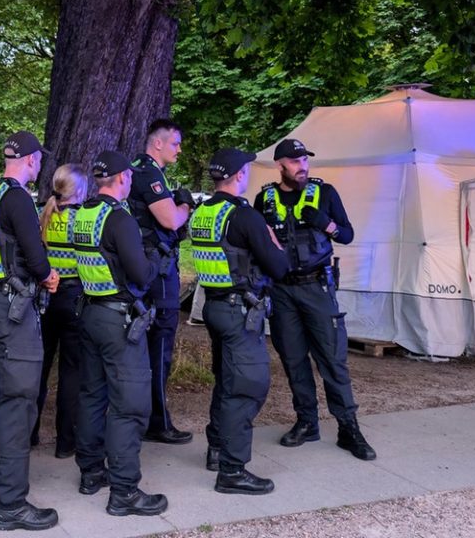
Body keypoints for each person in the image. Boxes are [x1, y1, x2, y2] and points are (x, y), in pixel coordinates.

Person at [255, 139, 376, 461]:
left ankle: (349, 428)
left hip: (317, 289)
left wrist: (327, 224)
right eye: (295, 162)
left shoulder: (325, 193)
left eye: (304, 160)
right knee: (294, 360)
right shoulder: (264, 199)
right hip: (281, 291)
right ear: (280, 164)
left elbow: (347, 235)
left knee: (332, 360)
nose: (302, 166)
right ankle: (307, 422)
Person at [0, 130, 60, 532]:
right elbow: (34, 252)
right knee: (18, 401)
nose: (40, 164)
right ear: (28, 160)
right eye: (39, 158)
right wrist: (48, 275)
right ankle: (11, 505)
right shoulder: (19, 198)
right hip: (15, 307)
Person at [72, 150, 166, 516]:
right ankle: (125, 491)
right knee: (129, 405)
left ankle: (91, 472)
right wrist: (156, 258)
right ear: (124, 178)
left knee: (93, 396)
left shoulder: (85, 214)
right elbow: (141, 275)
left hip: (91, 312)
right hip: (118, 320)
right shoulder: (119, 218)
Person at [191, 148, 289, 495]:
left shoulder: (203, 212)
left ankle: (217, 448)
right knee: (246, 387)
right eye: (247, 169)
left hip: (215, 307)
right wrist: (275, 243)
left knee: (226, 381)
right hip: (240, 312)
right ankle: (232, 470)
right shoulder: (244, 216)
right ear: (238, 175)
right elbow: (279, 266)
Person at [128, 119, 195, 445]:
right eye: (175, 143)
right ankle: (157, 421)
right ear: (158, 144)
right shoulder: (149, 173)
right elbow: (170, 219)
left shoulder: (135, 169)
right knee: (160, 346)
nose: (179, 149)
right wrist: (184, 205)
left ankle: (146, 416)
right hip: (158, 273)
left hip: (144, 269)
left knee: (145, 345)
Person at [31, 163, 88, 459]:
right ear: (79, 190)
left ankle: (30, 432)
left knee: (39, 368)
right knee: (71, 372)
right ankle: (66, 441)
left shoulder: (44, 215)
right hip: (74, 297)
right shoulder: (81, 220)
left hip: (45, 299)